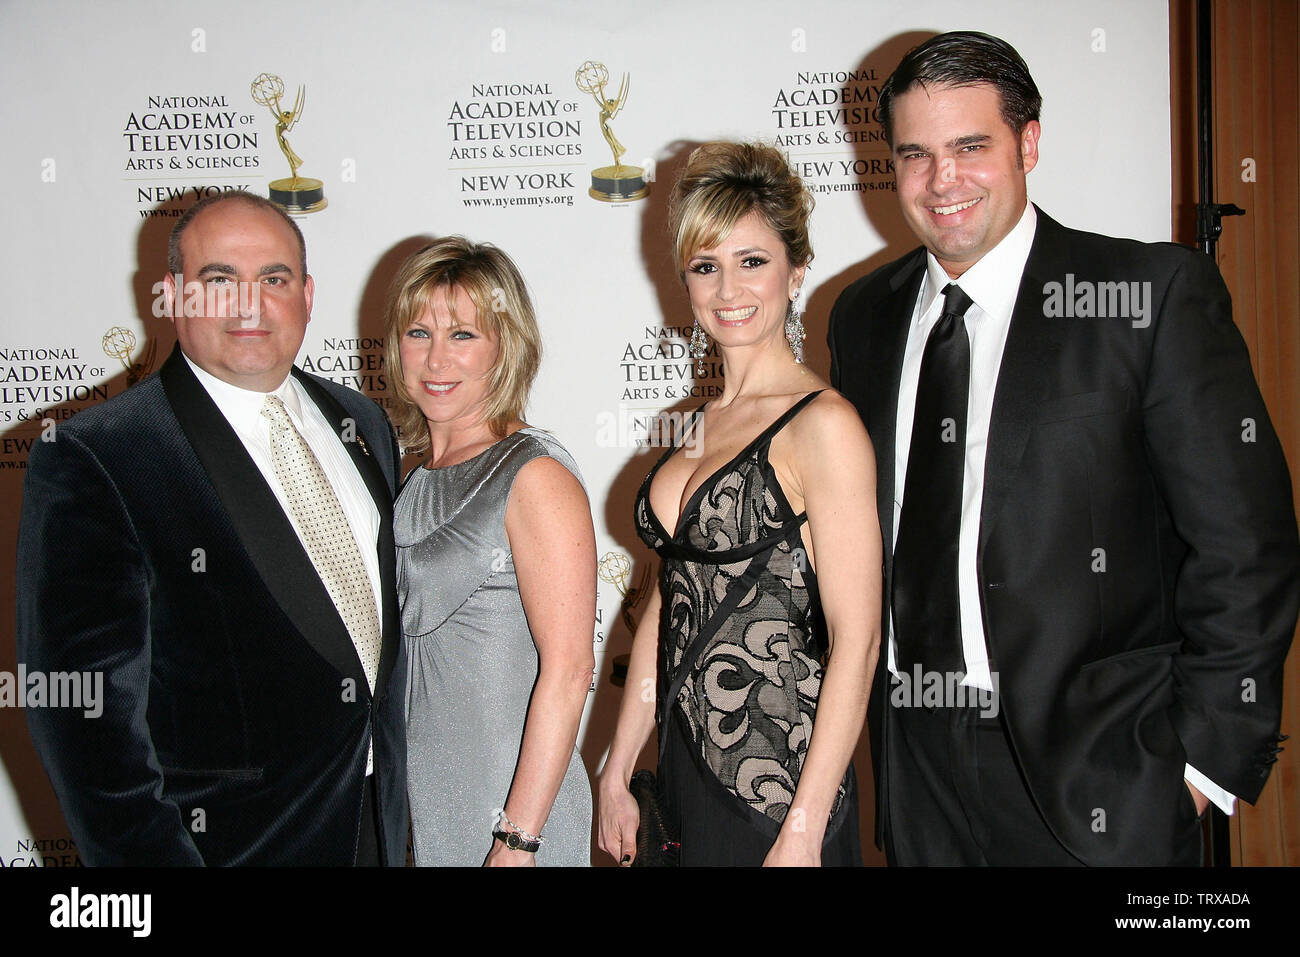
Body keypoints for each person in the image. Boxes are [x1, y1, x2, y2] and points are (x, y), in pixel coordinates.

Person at [828, 31, 1299, 865]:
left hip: (1106, 777)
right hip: (918, 776)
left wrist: (1196, 767)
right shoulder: (863, 316)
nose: (942, 182)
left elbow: (1247, 545)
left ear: (1028, 143)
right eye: (915, 155)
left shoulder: (1144, 297)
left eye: (970, 147)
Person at [17, 191, 408, 865]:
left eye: (274, 279)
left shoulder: (362, 422)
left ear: (307, 295)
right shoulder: (99, 455)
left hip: (380, 829)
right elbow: (88, 730)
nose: (250, 304)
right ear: (172, 296)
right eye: (219, 280)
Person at [598, 142, 881, 866]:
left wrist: (806, 828)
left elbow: (859, 639)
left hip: (777, 788)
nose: (728, 288)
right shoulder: (697, 422)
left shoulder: (824, 426)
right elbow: (673, 592)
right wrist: (618, 761)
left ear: (796, 268)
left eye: (751, 260)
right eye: (706, 265)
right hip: (685, 772)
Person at [386, 237, 596, 866]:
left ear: (506, 345)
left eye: (463, 336)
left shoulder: (532, 475)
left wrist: (517, 840)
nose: (436, 358)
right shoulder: (410, 478)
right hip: (425, 802)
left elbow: (569, 671)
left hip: (510, 815)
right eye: (419, 332)